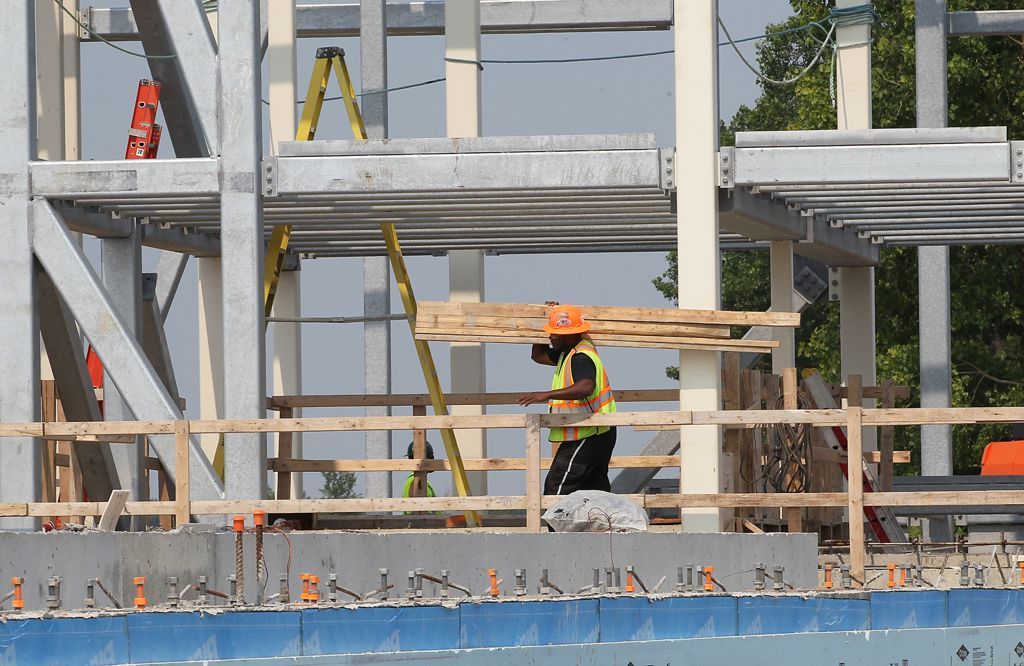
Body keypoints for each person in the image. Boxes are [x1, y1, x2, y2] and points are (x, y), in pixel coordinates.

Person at [518, 303, 617, 495]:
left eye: (554, 334)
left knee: (557, 487)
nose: (550, 337)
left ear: (570, 335)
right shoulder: (568, 351)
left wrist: (545, 395)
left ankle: (557, 527)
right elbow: (537, 355)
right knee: (593, 490)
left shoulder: (581, 356)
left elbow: (586, 387)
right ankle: (603, 524)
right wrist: (545, 319)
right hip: (595, 432)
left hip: (589, 432)